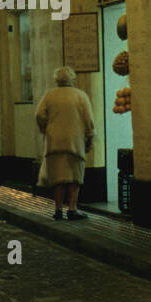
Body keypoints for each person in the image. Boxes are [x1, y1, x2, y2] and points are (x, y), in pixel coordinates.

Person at [35, 66, 94, 221]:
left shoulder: (50, 96)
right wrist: (89, 136)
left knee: (58, 177)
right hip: (75, 141)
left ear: (56, 80)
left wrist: (46, 128)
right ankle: (72, 209)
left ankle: (58, 209)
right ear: (73, 79)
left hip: (54, 141)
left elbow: (39, 114)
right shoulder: (80, 96)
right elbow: (88, 119)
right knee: (75, 176)